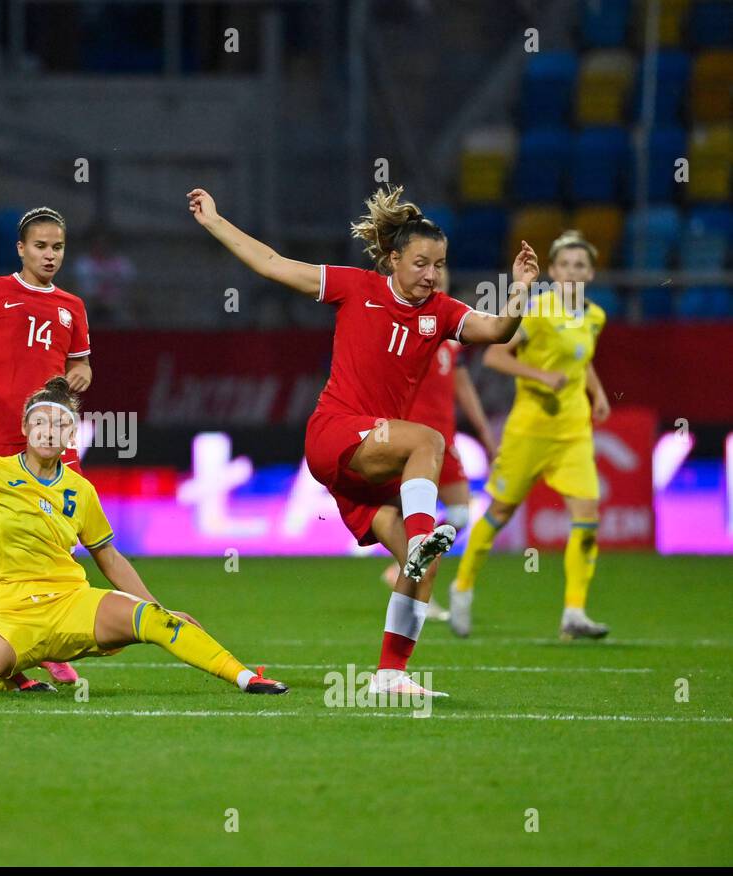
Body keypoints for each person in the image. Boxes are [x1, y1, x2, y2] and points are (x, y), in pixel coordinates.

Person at [189, 184, 538, 697]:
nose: (430, 275)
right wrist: (215, 221)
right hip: (335, 432)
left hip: (366, 470)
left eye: (438, 265)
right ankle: (421, 537)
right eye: (420, 263)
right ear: (393, 259)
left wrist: (521, 289)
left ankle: (390, 675)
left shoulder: (441, 312)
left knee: (424, 568)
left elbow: (497, 330)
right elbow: (271, 263)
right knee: (428, 441)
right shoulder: (357, 287)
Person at [0, 377, 289, 696]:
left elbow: (110, 558)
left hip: (71, 604)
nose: (50, 431)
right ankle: (17, 675)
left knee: (155, 622)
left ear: (71, 435)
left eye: (60, 424)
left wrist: (158, 608)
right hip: (8, 616)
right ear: (26, 427)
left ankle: (245, 678)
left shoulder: (81, 491)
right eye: (41, 422)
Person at [0, 206, 92, 687]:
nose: (50, 255)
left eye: (58, 248)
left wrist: (80, 375)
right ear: (21, 248)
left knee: (59, 535)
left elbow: (84, 366)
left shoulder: (72, 305)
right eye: (41, 246)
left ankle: (50, 642)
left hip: (51, 432)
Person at [449, 231, 611, 641]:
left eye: (581, 265)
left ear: (590, 272)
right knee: (499, 513)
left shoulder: (595, 316)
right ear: (553, 272)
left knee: (588, 518)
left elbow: (582, 359)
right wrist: (540, 376)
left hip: (573, 432)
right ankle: (462, 586)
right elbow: (494, 355)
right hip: (530, 430)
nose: (573, 271)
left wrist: (598, 393)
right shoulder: (537, 311)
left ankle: (574, 611)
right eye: (565, 264)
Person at [379, 264, 497, 621]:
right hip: (414, 440)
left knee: (461, 513)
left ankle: (408, 565)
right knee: (412, 515)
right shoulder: (404, 327)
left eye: (443, 273)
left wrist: (484, 431)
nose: (437, 280)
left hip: (445, 441)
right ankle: (410, 578)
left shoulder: (451, 331)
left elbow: (462, 386)